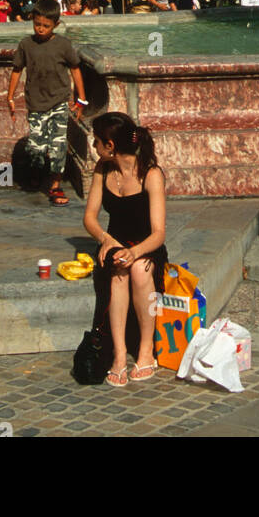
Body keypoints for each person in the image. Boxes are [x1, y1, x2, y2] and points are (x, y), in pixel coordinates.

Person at [82, 112, 167, 386]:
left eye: (96, 142)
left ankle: (146, 351)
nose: (94, 148)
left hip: (146, 247)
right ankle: (119, 356)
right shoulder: (102, 171)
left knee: (141, 271)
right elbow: (90, 218)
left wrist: (135, 252)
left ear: (110, 145)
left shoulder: (151, 174)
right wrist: (105, 239)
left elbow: (158, 233)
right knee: (119, 271)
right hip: (116, 245)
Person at [6, 0, 87, 205]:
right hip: (35, 103)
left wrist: (81, 99)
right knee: (36, 147)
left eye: (46, 26)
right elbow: (17, 70)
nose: (41, 29)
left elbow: (75, 69)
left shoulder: (63, 45)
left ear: (56, 25)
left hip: (59, 101)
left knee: (59, 144)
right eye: (37, 24)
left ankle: (55, 185)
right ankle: (37, 173)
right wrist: (10, 96)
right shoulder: (26, 44)